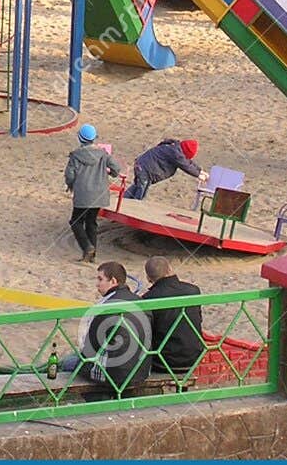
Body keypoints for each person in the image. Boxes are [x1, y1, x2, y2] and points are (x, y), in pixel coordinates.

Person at [72, 262, 150, 395]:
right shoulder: (142, 302)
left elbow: (90, 347)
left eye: (100, 279)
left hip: (114, 374)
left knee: (69, 362)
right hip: (141, 370)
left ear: (113, 281)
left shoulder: (104, 306)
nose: (97, 284)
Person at [64, 124, 121, 263]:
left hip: (83, 194)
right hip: (99, 194)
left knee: (76, 222)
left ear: (80, 138)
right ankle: (92, 256)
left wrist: (70, 185)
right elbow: (116, 168)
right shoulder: (103, 154)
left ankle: (87, 247)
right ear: (94, 138)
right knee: (91, 222)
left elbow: (69, 174)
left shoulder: (76, 156)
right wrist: (112, 173)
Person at [140, 257, 205, 380]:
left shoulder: (148, 299)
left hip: (162, 362)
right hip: (194, 357)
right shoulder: (193, 291)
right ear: (170, 269)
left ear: (149, 278)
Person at [125, 138, 205, 201]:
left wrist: (200, 171)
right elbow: (185, 165)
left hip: (142, 166)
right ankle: (128, 208)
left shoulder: (174, 149)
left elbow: (187, 162)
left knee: (136, 187)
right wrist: (198, 175)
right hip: (145, 170)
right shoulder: (175, 154)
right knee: (140, 193)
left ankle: (122, 201)